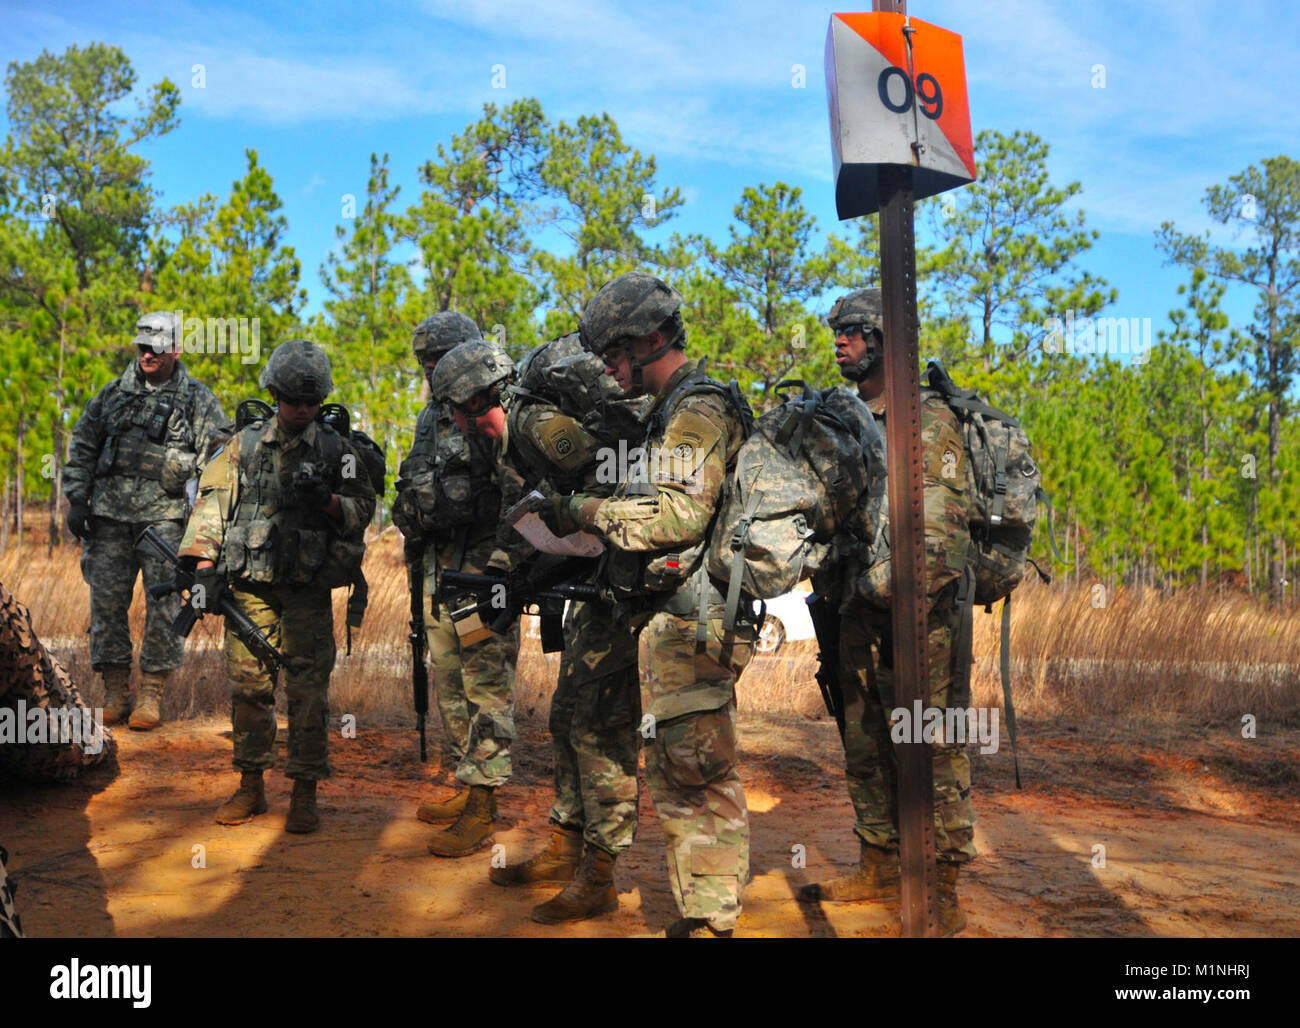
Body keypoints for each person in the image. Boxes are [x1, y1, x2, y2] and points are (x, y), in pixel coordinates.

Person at [546, 272, 757, 938]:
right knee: (676, 763)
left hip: (698, 618)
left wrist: (581, 511)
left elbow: (676, 516)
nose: (610, 368)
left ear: (652, 338)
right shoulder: (667, 411)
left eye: (615, 353)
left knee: (694, 770)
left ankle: (711, 920)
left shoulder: (696, 409)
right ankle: (699, 912)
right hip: (671, 614)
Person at [796, 287, 975, 936]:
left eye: (850, 330)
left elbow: (940, 542)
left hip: (919, 622)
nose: (837, 340)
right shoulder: (846, 419)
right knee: (865, 738)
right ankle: (877, 862)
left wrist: (869, 582)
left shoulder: (928, 422)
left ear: (882, 338)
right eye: (836, 331)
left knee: (931, 751)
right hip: (853, 612)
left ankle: (942, 889)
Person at [178, 340, 376, 833]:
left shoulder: (338, 450)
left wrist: (329, 500)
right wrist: (202, 565)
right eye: (292, 401)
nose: (302, 410)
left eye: (310, 402)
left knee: (309, 691)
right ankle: (251, 786)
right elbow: (212, 504)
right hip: (250, 587)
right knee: (250, 687)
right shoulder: (242, 445)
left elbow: (362, 509)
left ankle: (305, 791)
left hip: (307, 588)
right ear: (273, 393)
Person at [484, 337, 644, 926]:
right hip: (594, 590)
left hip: (623, 594)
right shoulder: (595, 440)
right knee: (568, 717)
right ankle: (566, 846)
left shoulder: (624, 442)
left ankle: (600, 874)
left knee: (602, 729)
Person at [64, 311, 227, 730]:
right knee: (106, 604)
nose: (147, 354)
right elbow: (83, 444)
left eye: (156, 347)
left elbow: (221, 459)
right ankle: (116, 693)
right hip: (109, 518)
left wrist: (179, 466)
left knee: (164, 607)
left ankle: (151, 695)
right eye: (141, 346)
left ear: (175, 349)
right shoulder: (110, 396)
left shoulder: (198, 399)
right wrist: (77, 497)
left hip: (165, 520)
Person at [398, 333, 521, 858]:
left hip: (480, 569)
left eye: (439, 362)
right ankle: (467, 783)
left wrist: (499, 570)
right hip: (439, 567)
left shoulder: (495, 412)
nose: (431, 372)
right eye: (426, 364)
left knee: (483, 680)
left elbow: (515, 492)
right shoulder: (431, 417)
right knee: (448, 677)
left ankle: (484, 804)